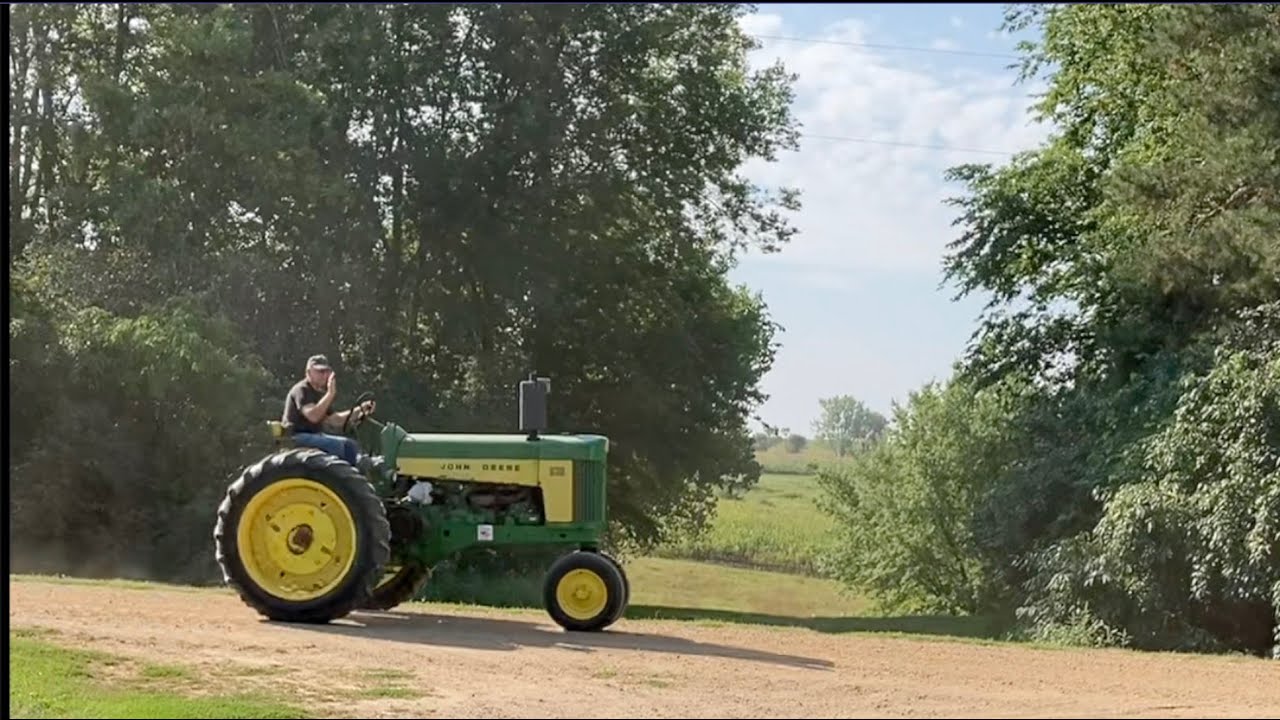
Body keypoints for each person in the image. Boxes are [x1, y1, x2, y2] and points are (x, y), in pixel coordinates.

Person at [282, 354, 381, 471]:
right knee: (341, 446)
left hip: (314, 435)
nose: (324, 375)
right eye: (320, 371)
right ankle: (347, 481)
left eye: (326, 371)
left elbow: (334, 420)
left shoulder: (319, 394)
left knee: (350, 444)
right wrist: (330, 394)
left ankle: (360, 475)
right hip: (296, 437)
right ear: (308, 372)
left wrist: (361, 410)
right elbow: (313, 416)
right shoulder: (301, 390)